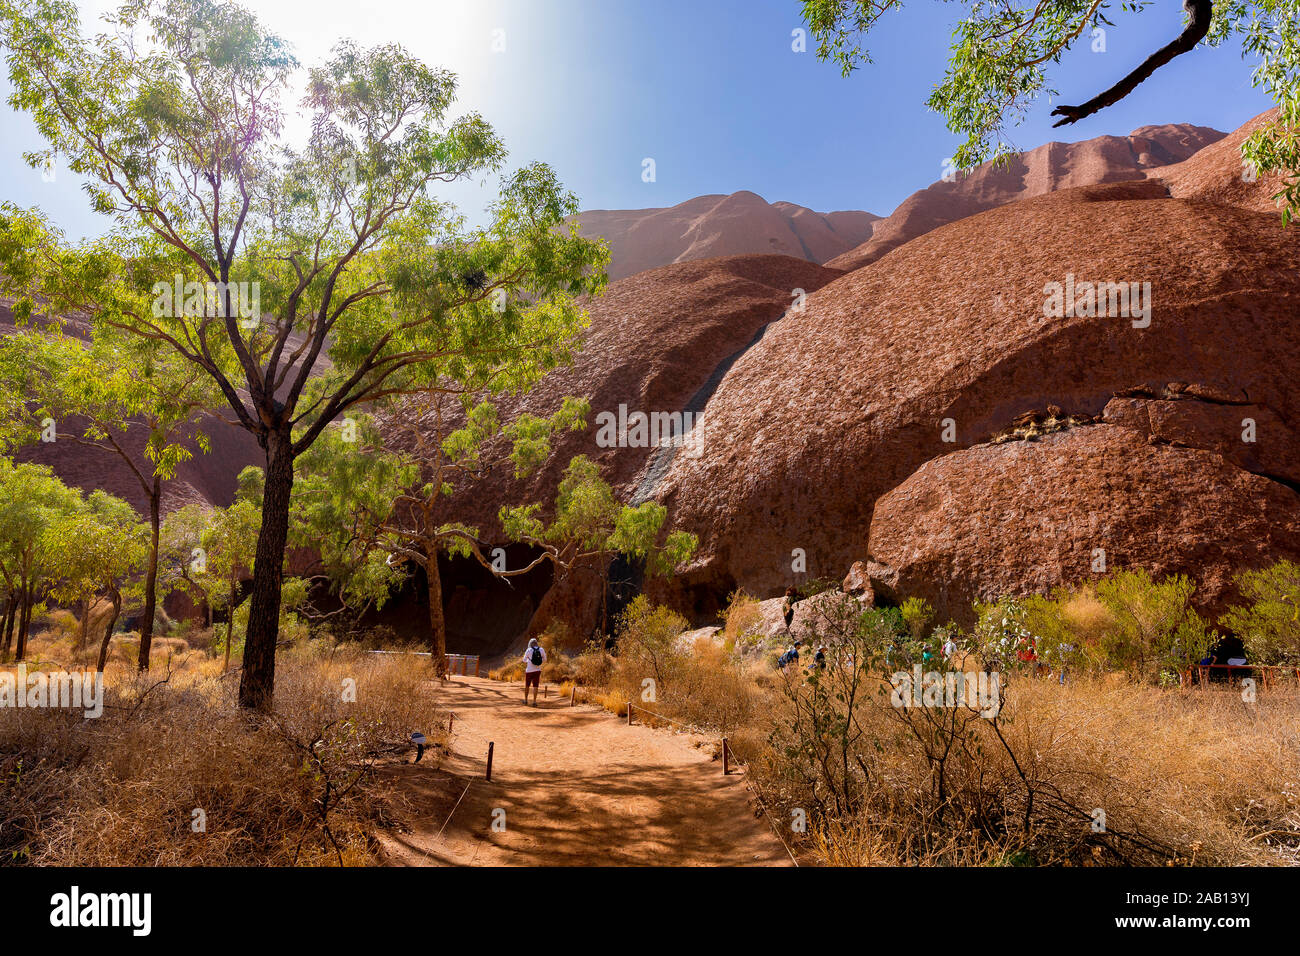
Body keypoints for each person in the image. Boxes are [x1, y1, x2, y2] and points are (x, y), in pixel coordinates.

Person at [522, 637, 546, 705]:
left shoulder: (528, 650)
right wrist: (538, 661)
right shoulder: (541, 649)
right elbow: (545, 659)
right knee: (535, 686)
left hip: (529, 670)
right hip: (537, 670)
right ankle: (534, 702)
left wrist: (529, 661)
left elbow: (524, 660)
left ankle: (526, 700)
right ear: (536, 643)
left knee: (527, 685)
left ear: (530, 643)